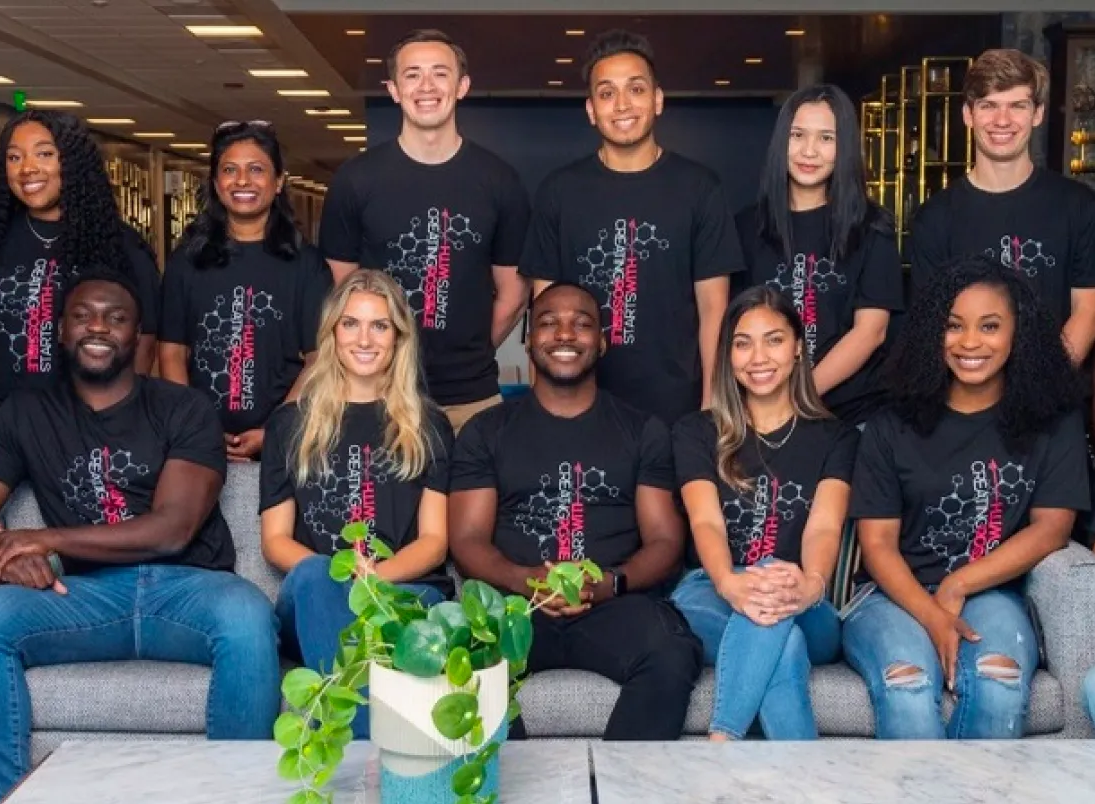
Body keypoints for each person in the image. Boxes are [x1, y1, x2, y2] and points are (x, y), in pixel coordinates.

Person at [0, 270, 279, 804]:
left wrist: (46, 540)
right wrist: (1, 551)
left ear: (137, 336)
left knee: (248, 617)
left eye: (116, 318)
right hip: (83, 598)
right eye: (84, 315)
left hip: (188, 588)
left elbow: (172, 529)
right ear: (60, 330)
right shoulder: (26, 411)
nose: (99, 327)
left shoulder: (185, 408)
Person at [843, 254, 1089, 740]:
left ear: (1019, 334)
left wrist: (957, 585)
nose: (970, 342)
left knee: (999, 682)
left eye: (990, 326)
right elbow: (877, 545)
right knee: (907, 687)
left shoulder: (1053, 422)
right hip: (891, 595)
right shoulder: (892, 426)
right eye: (954, 326)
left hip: (992, 592)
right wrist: (933, 613)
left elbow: (1053, 528)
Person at [448, 281, 702, 741]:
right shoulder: (486, 432)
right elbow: (466, 539)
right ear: (528, 341)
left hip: (612, 604)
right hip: (515, 607)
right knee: (460, 652)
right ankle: (514, 785)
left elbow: (666, 539)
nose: (564, 334)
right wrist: (526, 581)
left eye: (581, 324)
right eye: (548, 323)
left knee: (672, 648)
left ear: (602, 341)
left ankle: (624, 788)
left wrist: (610, 583)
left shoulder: (643, 430)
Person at [260, 269, 454, 738]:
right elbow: (275, 541)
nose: (364, 339)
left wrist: (374, 582)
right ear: (332, 333)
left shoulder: (429, 424)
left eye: (380, 326)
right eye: (350, 324)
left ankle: (355, 757)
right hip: (315, 594)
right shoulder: (290, 424)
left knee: (389, 614)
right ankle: (369, 751)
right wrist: (341, 578)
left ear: (397, 338)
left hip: (403, 595)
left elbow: (434, 542)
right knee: (312, 578)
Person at [519, 29, 744, 426]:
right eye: (607, 93)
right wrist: (542, 413)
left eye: (636, 89)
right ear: (591, 109)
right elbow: (543, 314)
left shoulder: (699, 188)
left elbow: (714, 310)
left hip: (678, 408)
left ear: (657, 100)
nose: (622, 104)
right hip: (582, 410)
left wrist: (712, 409)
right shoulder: (559, 191)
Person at [318, 29, 531, 434]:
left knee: (476, 499)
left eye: (440, 73)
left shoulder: (500, 181)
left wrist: (470, 354)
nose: (427, 86)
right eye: (412, 75)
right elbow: (343, 292)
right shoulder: (355, 180)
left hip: (474, 397)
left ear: (462, 86)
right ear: (394, 89)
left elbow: (514, 293)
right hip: (379, 394)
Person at [670, 286, 857, 740]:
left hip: (805, 600)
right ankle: (804, 784)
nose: (759, 356)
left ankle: (721, 745)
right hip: (709, 592)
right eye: (742, 342)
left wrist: (811, 584)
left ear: (797, 349)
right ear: (728, 355)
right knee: (780, 638)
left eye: (773, 340)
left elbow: (825, 526)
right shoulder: (697, 432)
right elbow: (706, 521)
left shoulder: (837, 438)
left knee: (776, 592)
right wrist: (730, 583)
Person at [0, 110, 161, 455]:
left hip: (85, 429)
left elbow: (143, 348)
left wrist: (114, 426)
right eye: (14, 157)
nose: (27, 168)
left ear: (71, 162)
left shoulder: (121, 247)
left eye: (44, 153)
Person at [908, 49, 1095, 366]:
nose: (1002, 120)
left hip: (1054, 400)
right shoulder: (934, 218)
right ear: (968, 114)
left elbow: (1087, 310)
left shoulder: (1078, 205)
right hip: (965, 403)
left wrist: (1041, 387)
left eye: (1017, 106)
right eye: (988, 106)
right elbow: (934, 325)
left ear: (1037, 114)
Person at [159, 120, 332, 461]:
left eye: (256, 169)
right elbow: (171, 355)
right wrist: (196, 429)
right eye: (229, 170)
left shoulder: (306, 264)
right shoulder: (187, 260)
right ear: (215, 181)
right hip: (200, 443)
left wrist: (276, 430)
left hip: (286, 440)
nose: (242, 181)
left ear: (279, 181)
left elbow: (319, 359)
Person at [734, 84, 903, 425]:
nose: (809, 151)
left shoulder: (873, 229)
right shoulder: (745, 227)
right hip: (763, 412)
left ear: (845, 149)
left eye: (827, 138)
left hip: (855, 415)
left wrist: (796, 397)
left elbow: (871, 332)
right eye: (797, 135)